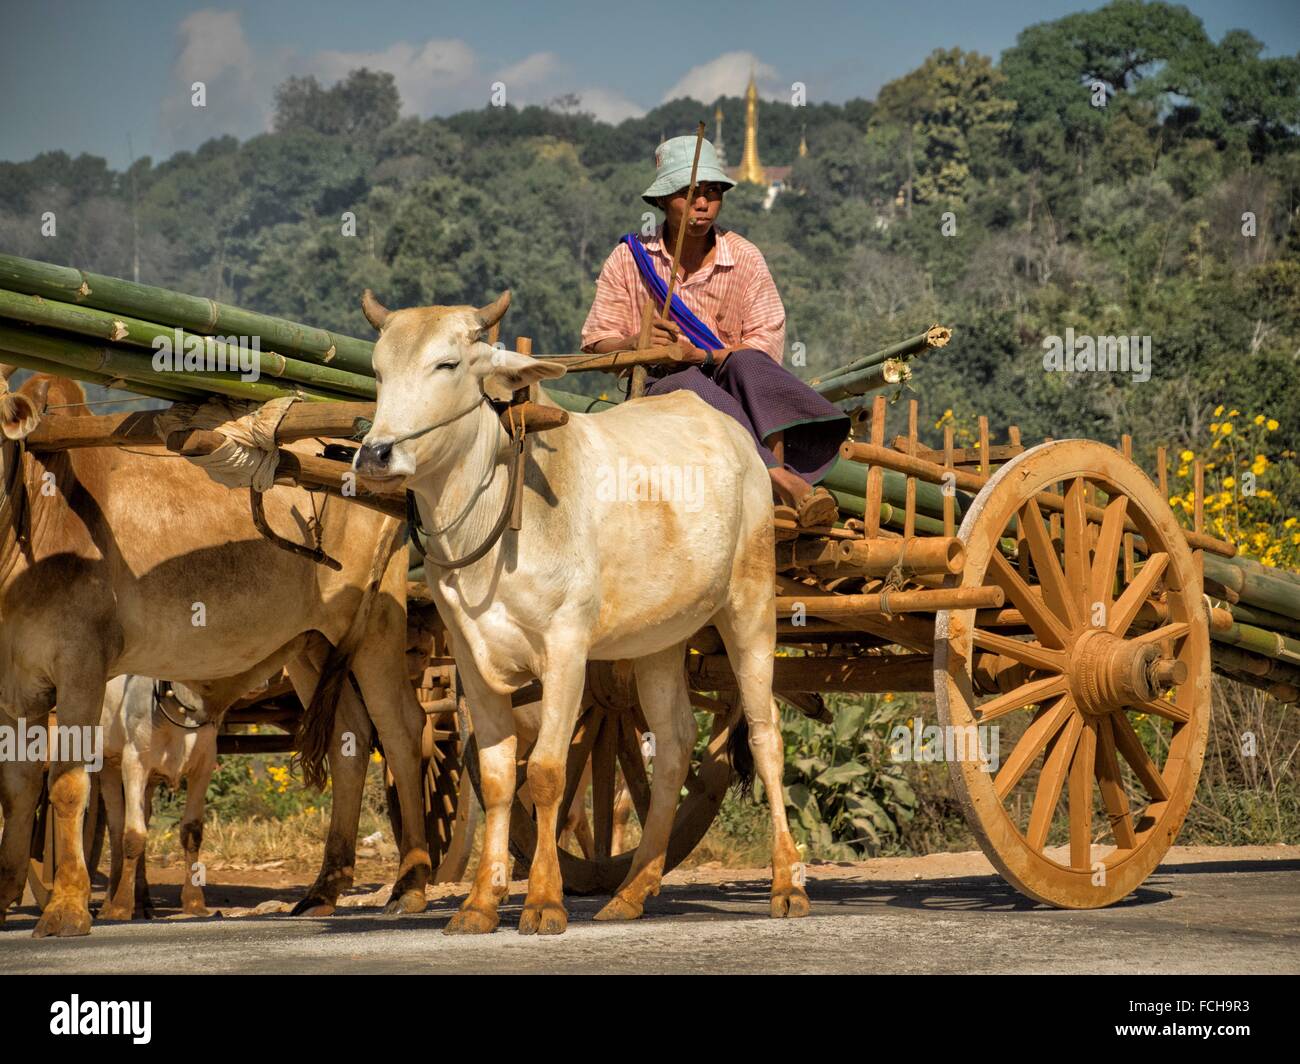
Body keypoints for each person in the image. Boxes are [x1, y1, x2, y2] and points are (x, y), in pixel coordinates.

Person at [581, 135, 849, 527]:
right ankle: (781, 480)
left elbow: (764, 348)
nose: (702, 204)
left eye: (712, 192)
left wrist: (702, 355)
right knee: (690, 384)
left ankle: (772, 484)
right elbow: (595, 343)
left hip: (737, 384)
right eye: (688, 194)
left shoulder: (744, 258)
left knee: (747, 364)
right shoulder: (629, 259)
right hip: (663, 392)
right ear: (662, 201)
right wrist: (635, 342)